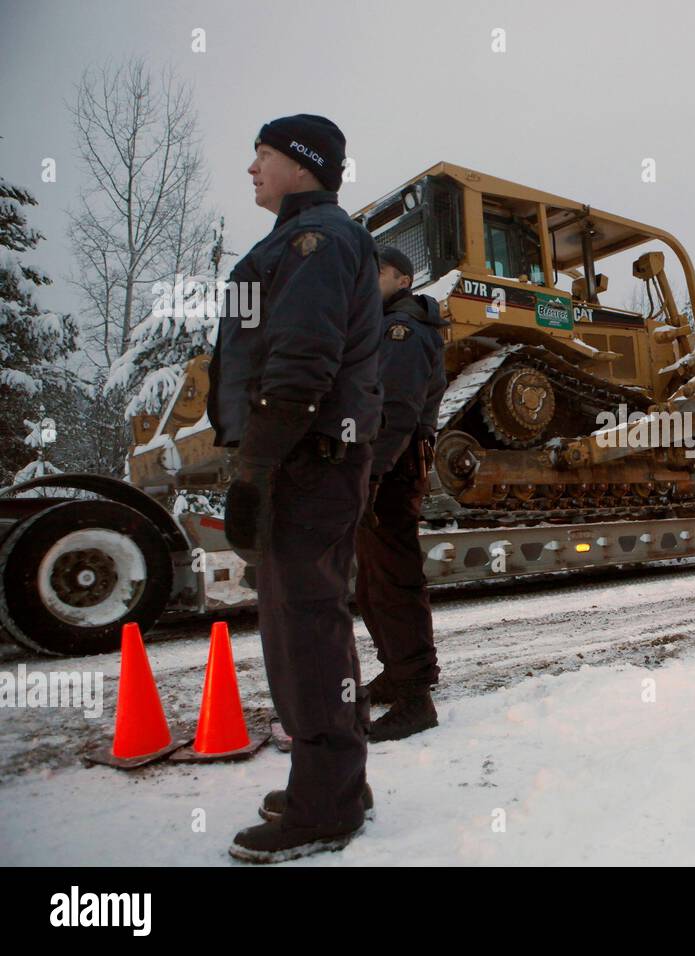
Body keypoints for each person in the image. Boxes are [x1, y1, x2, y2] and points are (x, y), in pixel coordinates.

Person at [208, 113, 382, 863]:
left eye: (265, 155)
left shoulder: (317, 240)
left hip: (305, 457)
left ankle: (326, 806)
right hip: (302, 455)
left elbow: (301, 361)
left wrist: (256, 467)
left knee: (303, 626)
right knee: (306, 621)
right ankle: (336, 781)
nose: (252, 168)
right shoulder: (294, 242)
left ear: (303, 165)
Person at [356, 246, 451, 741]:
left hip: (389, 468)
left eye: (377, 273)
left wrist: (370, 476)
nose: (367, 280)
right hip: (381, 467)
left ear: (403, 279)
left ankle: (416, 697)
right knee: (373, 581)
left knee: (393, 579)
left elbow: (394, 410)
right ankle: (400, 673)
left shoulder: (404, 331)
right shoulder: (384, 326)